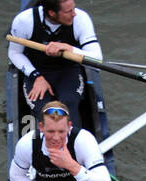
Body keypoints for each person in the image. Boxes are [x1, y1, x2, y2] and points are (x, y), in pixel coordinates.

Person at [8, 2, 102, 132]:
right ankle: (42, 146)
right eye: (68, 11)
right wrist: (36, 77)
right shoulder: (24, 21)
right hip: (36, 72)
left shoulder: (81, 19)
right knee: (43, 110)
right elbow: (14, 53)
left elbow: (97, 59)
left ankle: (74, 143)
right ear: (52, 13)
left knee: (68, 106)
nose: (74, 13)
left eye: (73, 8)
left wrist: (70, 49)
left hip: (68, 71)